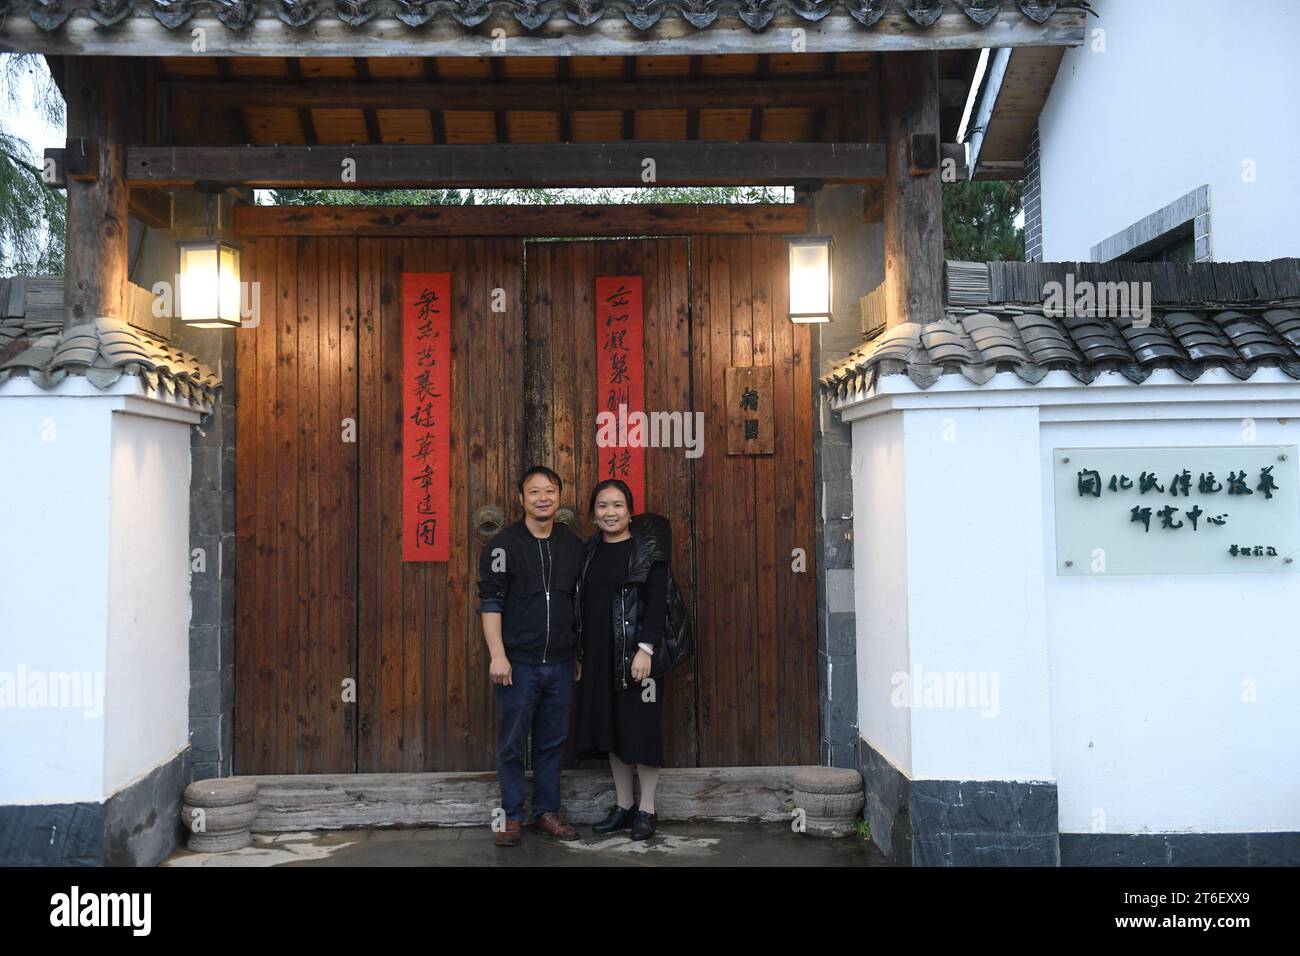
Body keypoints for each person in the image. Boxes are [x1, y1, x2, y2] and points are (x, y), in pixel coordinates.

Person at [477, 465, 585, 847]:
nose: (543, 497)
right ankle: (510, 816)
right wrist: (497, 655)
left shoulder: (573, 545)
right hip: (517, 664)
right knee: (512, 743)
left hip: (559, 662)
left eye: (550, 491)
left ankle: (547, 811)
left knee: (552, 742)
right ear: (520, 499)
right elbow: (491, 602)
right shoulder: (503, 546)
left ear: (559, 498)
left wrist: (576, 653)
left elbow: (578, 603)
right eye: (534, 491)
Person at [574, 478, 672, 841]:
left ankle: (647, 808)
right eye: (602, 506)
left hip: (637, 656)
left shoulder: (647, 550)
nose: (610, 512)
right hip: (600, 655)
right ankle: (624, 805)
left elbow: (658, 600)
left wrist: (645, 649)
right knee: (614, 730)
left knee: (641, 729)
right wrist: (580, 653)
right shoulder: (590, 551)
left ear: (630, 512)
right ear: (593, 514)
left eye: (617, 505)